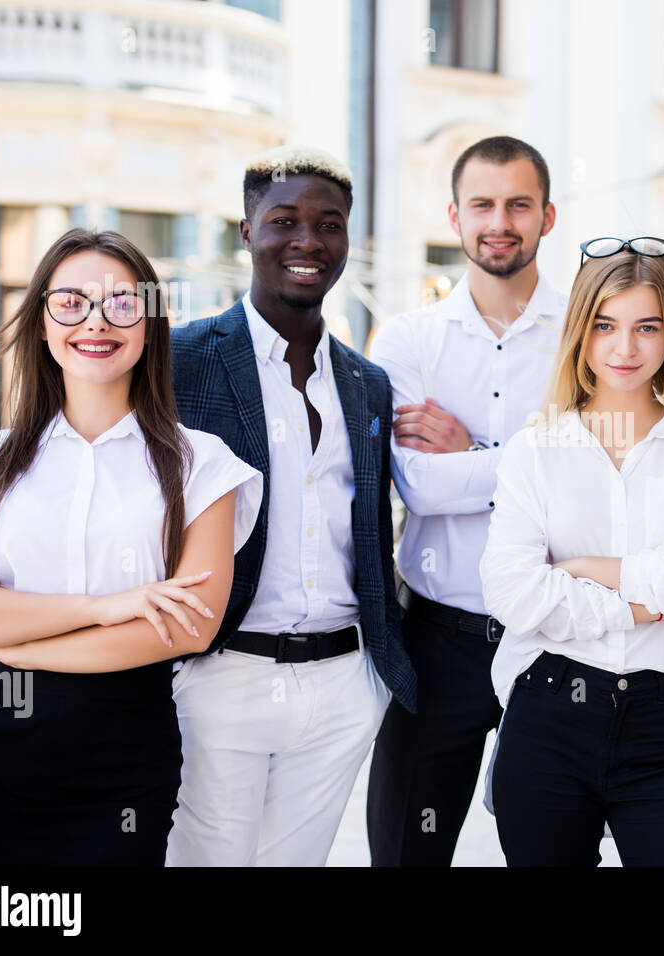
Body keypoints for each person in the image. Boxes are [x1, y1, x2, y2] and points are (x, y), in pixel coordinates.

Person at [0, 228, 261, 866]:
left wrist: (8, 631)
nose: (96, 321)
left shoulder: (204, 465)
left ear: (150, 323)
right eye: (72, 302)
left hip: (123, 754)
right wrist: (110, 607)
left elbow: (189, 627)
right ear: (44, 322)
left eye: (122, 303)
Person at [165, 145, 413, 866]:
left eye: (329, 224)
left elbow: (367, 527)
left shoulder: (368, 382)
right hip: (221, 675)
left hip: (342, 681)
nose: (308, 241)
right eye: (284, 221)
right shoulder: (182, 359)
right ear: (246, 231)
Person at [480, 240, 664, 866]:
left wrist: (583, 573)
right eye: (605, 326)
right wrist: (645, 605)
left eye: (646, 328)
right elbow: (513, 593)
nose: (625, 349)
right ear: (581, 332)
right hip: (547, 709)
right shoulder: (535, 448)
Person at [365, 135, 564, 866]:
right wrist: (540, 459)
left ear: (548, 216)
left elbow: (595, 481)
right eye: (482, 204)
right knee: (404, 854)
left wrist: (475, 456)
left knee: (551, 850)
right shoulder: (408, 342)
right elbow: (417, 484)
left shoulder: (591, 334)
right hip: (437, 643)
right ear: (455, 215)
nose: (499, 221)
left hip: (555, 639)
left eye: (519, 204)